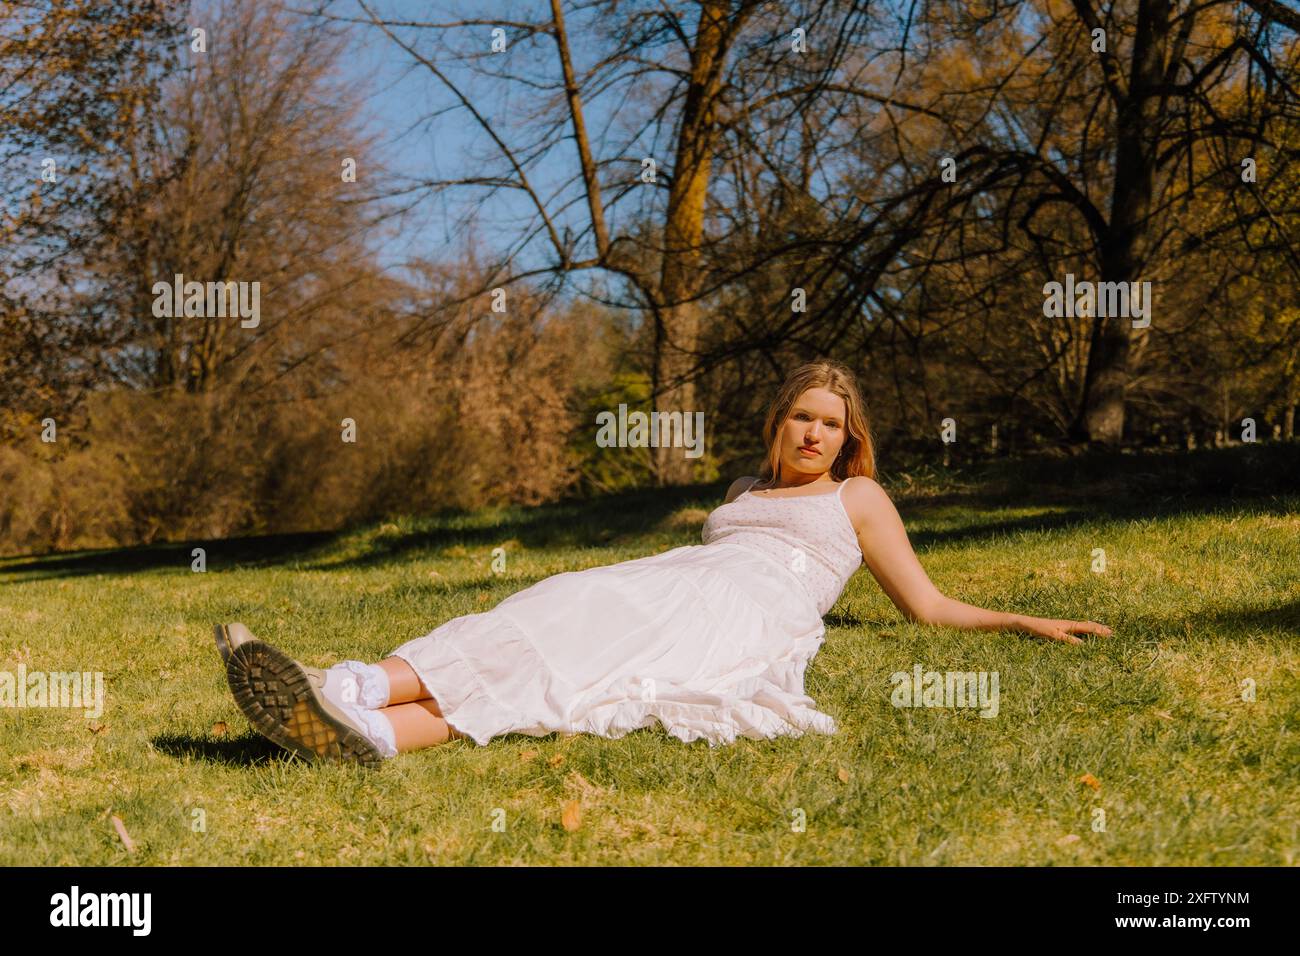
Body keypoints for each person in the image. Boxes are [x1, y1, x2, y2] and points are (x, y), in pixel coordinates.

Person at [215, 359, 1112, 767]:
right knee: (552, 608)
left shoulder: (859, 499)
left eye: (831, 423)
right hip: (675, 575)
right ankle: (361, 703)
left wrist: (1020, 619)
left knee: (580, 668)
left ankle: (359, 714)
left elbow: (924, 603)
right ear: (778, 423)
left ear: (851, 437)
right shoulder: (742, 490)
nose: (815, 432)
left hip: (742, 612)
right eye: (803, 416)